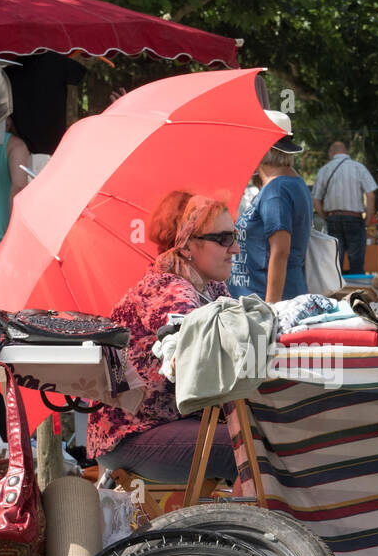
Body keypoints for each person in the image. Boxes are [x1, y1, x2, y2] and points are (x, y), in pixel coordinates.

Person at [87, 191, 238, 483]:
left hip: (170, 423)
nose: (236, 249)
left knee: (261, 433)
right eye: (224, 239)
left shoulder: (210, 288)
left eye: (235, 235)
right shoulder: (170, 290)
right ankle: (253, 527)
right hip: (133, 435)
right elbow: (192, 362)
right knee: (254, 446)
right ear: (187, 244)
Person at [229, 111, 312, 302]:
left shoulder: (277, 190)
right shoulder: (291, 183)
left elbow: (280, 251)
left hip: (263, 301)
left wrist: (271, 309)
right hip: (269, 297)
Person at [313, 140, 378, 274]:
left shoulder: (325, 170)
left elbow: (315, 199)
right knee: (356, 262)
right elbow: (371, 195)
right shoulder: (358, 167)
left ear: (331, 152)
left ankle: (336, 293)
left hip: (333, 219)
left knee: (335, 263)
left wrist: (325, 217)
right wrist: (367, 219)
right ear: (346, 152)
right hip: (354, 218)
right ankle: (356, 292)